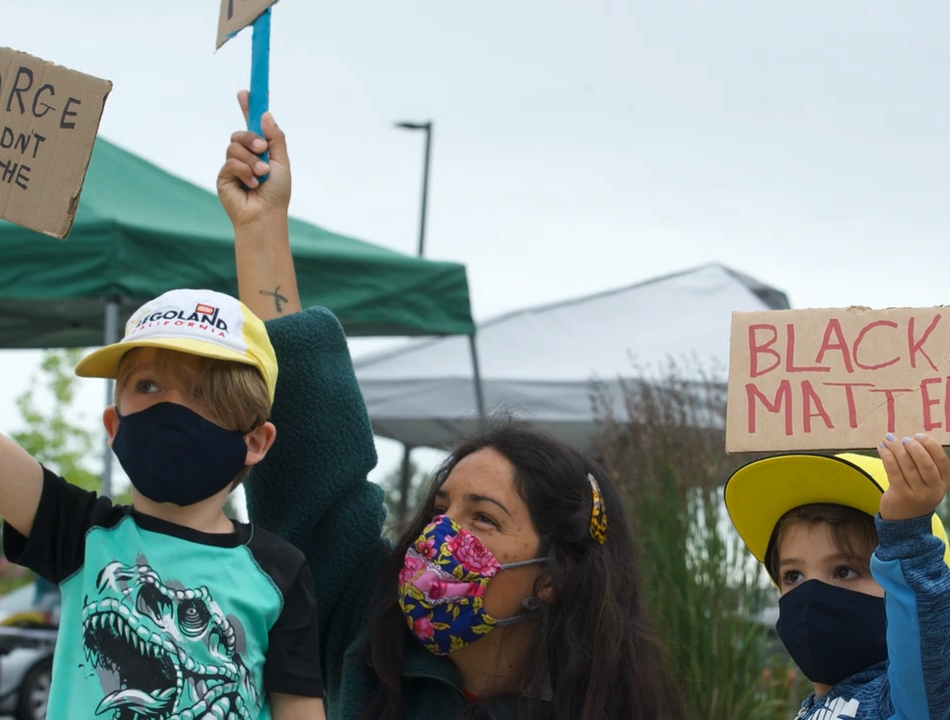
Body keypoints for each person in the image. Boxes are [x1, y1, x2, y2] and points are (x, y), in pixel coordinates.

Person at [227, 117, 685, 720]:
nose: (441, 539)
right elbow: (309, 462)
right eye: (441, 509)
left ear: (554, 575)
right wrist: (262, 229)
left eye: (484, 519)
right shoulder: (367, 651)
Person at [0, 97, 325, 720]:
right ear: (113, 426)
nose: (170, 409)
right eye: (147, 388)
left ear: (256, 441)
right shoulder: (83, 537)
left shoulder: (279, 572)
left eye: (203, 393)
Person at [724, 433, 950, 720]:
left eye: (844, 571)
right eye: (793, 575)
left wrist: (908, 534)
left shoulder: (904, 704)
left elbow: (926, 664)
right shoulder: (814, 710)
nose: (812, 594)